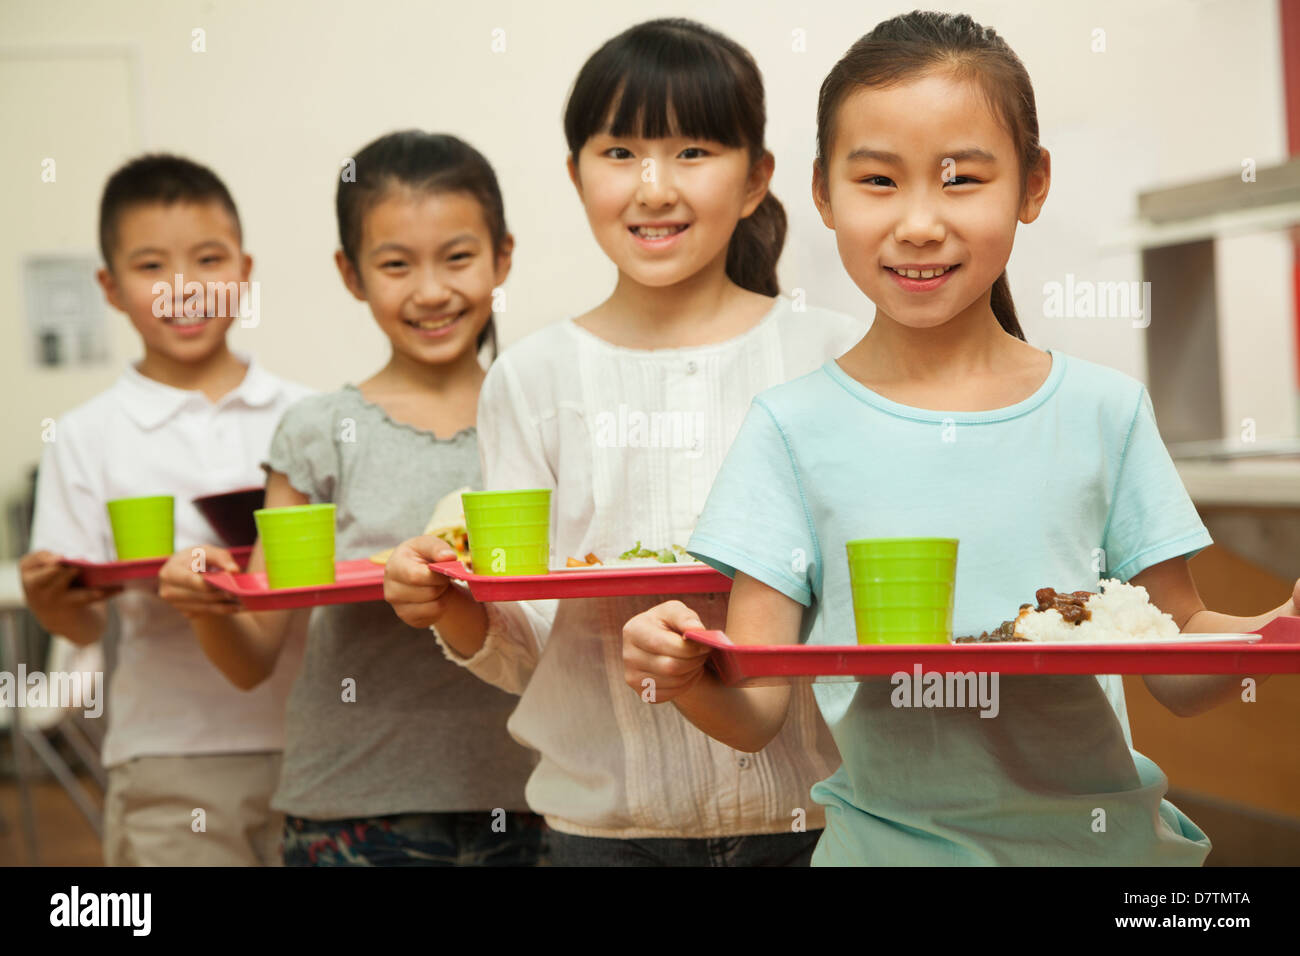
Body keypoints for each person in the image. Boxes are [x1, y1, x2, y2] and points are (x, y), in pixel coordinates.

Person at [622, 10, 1300, 865]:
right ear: (824, 193)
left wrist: (1280, 624)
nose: (918, 223)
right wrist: (680, 672)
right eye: (877, 181)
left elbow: (1177, 663)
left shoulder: (1104, 410)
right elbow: (756, 706)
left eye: (961, 179)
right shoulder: (790, 430)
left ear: (1032, 183)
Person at [384, 19, 866, 866]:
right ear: (576, 177)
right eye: (620, 154)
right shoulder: (530, 378)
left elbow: (870, 602)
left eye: (693, 152)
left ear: (756, 179)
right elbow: (525, 637)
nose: (653, 189)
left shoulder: (830, 355)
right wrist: (452, 605)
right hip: (602, 834)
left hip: (814, 821)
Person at [158, 131, 544, 866]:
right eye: (396, 264)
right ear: (352, 273)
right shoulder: (316, 433)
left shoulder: (543, 417)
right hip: (353, 805)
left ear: (504, 257)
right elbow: (252, 659)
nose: (430, 291)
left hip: (538, 796)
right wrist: (205, 603)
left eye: (458, 258)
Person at [21, 154, 313, 865]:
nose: (185, 289)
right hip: (167, 752)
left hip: (319, 746)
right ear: (110, 288)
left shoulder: (309, 416)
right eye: (152, 266)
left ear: (244, 272)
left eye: (208, 259)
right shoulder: (86, 435)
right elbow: (83, 620)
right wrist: (48, 600)